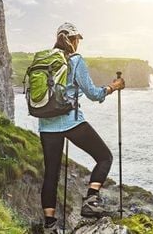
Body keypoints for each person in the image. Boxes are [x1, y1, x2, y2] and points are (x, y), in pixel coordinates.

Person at [40, 22, 125, 233]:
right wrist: (112, 87)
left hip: (46, 124)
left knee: (51, 173)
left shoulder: (45, 59)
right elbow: (93, 93)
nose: (78, 43)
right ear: (73, 40)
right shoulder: (75, 60)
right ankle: (90, 200)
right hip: (71, 121)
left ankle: (49, 225)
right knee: (105, 157)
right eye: (77, 39)